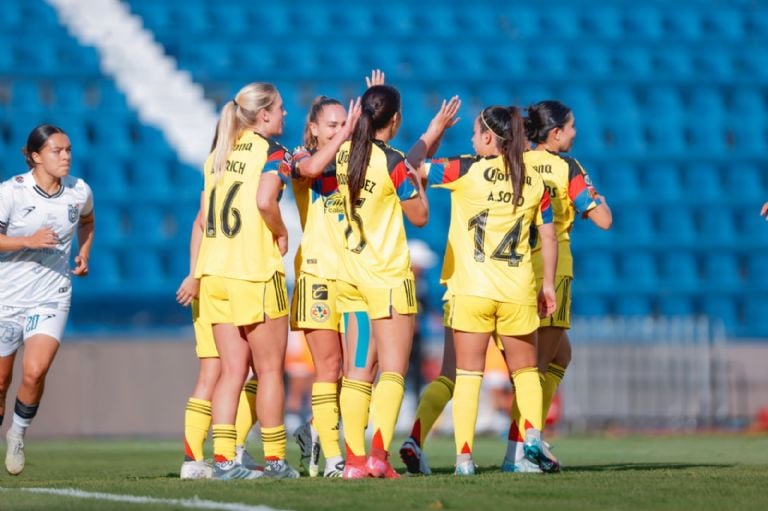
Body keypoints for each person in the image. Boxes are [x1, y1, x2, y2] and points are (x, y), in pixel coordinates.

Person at [420, 105, 558, 475]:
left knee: (467, 375)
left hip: (471, 289)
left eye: (474, 132)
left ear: (487, 138)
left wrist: (434, 130)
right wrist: (548, 285)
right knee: (526, 372)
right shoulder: (533, 180)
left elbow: (410, 166)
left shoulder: (464, 170)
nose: (470, 138)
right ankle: (530, 441)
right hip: (516, 288)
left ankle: (464, 458)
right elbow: (548, 234)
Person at [334, 85, 457, 479]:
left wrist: (429, 136)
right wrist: (420, 178)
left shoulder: (342, 155)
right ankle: (378, 457)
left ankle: (353, 461)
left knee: (357, 372)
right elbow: (419, 215)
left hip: (350, 277)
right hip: (387, 279)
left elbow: (397, 161)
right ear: (396, 119)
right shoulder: (393, 162)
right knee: (391, 371)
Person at [193, 82, 298, 480]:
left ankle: (223, 461)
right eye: (282, 108)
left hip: (216, 271)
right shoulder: (272, 153)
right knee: (270, 371)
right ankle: (274, 461)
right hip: (253, 271)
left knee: (231, 372)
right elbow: (264, 201)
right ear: (265, 114)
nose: (286, 115)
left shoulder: (217, 155)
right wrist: (282, 231)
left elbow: (204, 218)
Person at [500, 100, 612, 473]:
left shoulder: (517, 161)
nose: (576, 133)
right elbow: (603, 220)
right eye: (571, 126)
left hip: (518, 270)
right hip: (553, 269)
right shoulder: (568, 167)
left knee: (559, 357)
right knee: (537, 366)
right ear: (555, 133)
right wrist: (601, 200)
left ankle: (524, 441)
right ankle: (522, 447)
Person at [0, 124, 94, 475]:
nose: (66, 156)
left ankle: (19, 434)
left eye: (68, 149)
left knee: (35, 371)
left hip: (51, 296)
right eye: (58, 151)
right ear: (36, 156)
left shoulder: (79, 190)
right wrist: (28, 240)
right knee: (1, 382)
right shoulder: (11, 192)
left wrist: (84, 252)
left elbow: (88, 220)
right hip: (6, 297)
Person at [288, 93, 363, 478]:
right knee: (329, 367)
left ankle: (317, 431)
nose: (340, 130)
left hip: (355, 276)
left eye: (343, 123)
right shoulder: (299, 157)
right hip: (317, 275)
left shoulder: (356, 161)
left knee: (358, 370)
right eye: (332, 124)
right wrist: (343, 136)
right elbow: (313, 168)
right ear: (314, 128)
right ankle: (334, 456)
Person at [175, 213, 261, 479]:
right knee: (257, 371)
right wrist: (194, 274)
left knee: (223, 372)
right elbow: (200, 219)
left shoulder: (215, 172)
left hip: (214, 280)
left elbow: (200, 220)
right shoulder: (250, 172)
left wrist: (195, 274)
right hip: (233, 279)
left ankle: (197, 458)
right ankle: (227, 450)